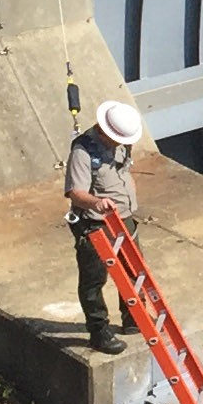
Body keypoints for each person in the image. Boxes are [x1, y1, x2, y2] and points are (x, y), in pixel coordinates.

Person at [62, 99, 146, 354]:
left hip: (124, 219)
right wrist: (97, 202)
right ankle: (99, 332)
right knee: (93, 280)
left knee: (134, 270)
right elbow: (74, 192)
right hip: (96, 225)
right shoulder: (83, 152)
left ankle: (134, 319)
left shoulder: (121, 147)